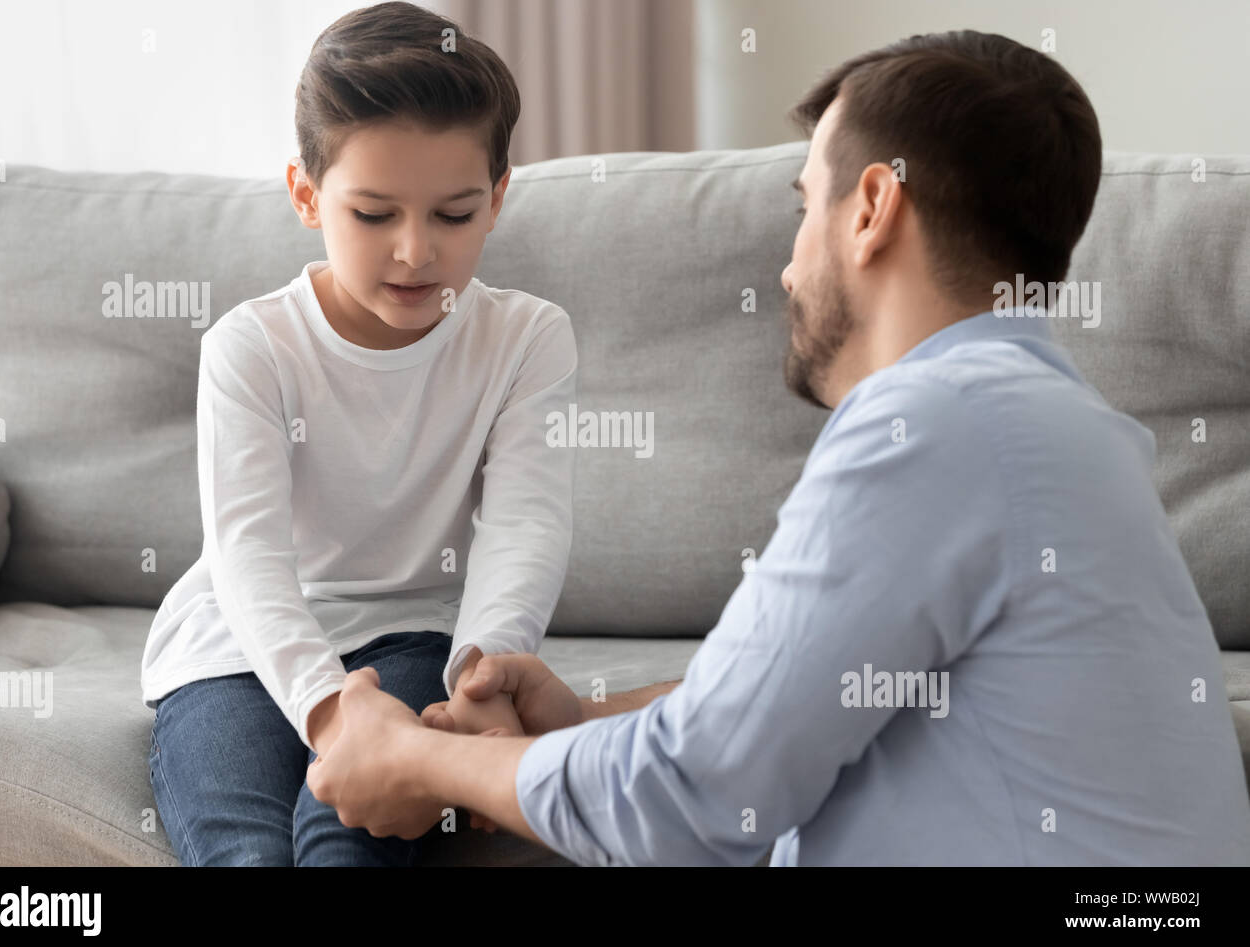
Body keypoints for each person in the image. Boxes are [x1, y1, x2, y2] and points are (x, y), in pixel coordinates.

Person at [307, 30, 1250, 865]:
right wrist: (590, 717)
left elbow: (695, 801)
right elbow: (842, 687)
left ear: (873, 206)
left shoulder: (929, 426)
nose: (789, 266)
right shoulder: (1061, 424)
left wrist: (418, 756)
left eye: (806, 205)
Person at [139, 1, 577, 866]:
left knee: (352, 847)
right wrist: (332, 707)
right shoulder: (249, 347)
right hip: (234, 650)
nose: (415, 253)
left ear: (497, 199)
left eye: (453, 216)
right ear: (306, 195)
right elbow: (248, 555)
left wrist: (481, 677)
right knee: (245, 853)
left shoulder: (527, 337)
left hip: (412, 636)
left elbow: (526, 525)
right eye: (374, 215)